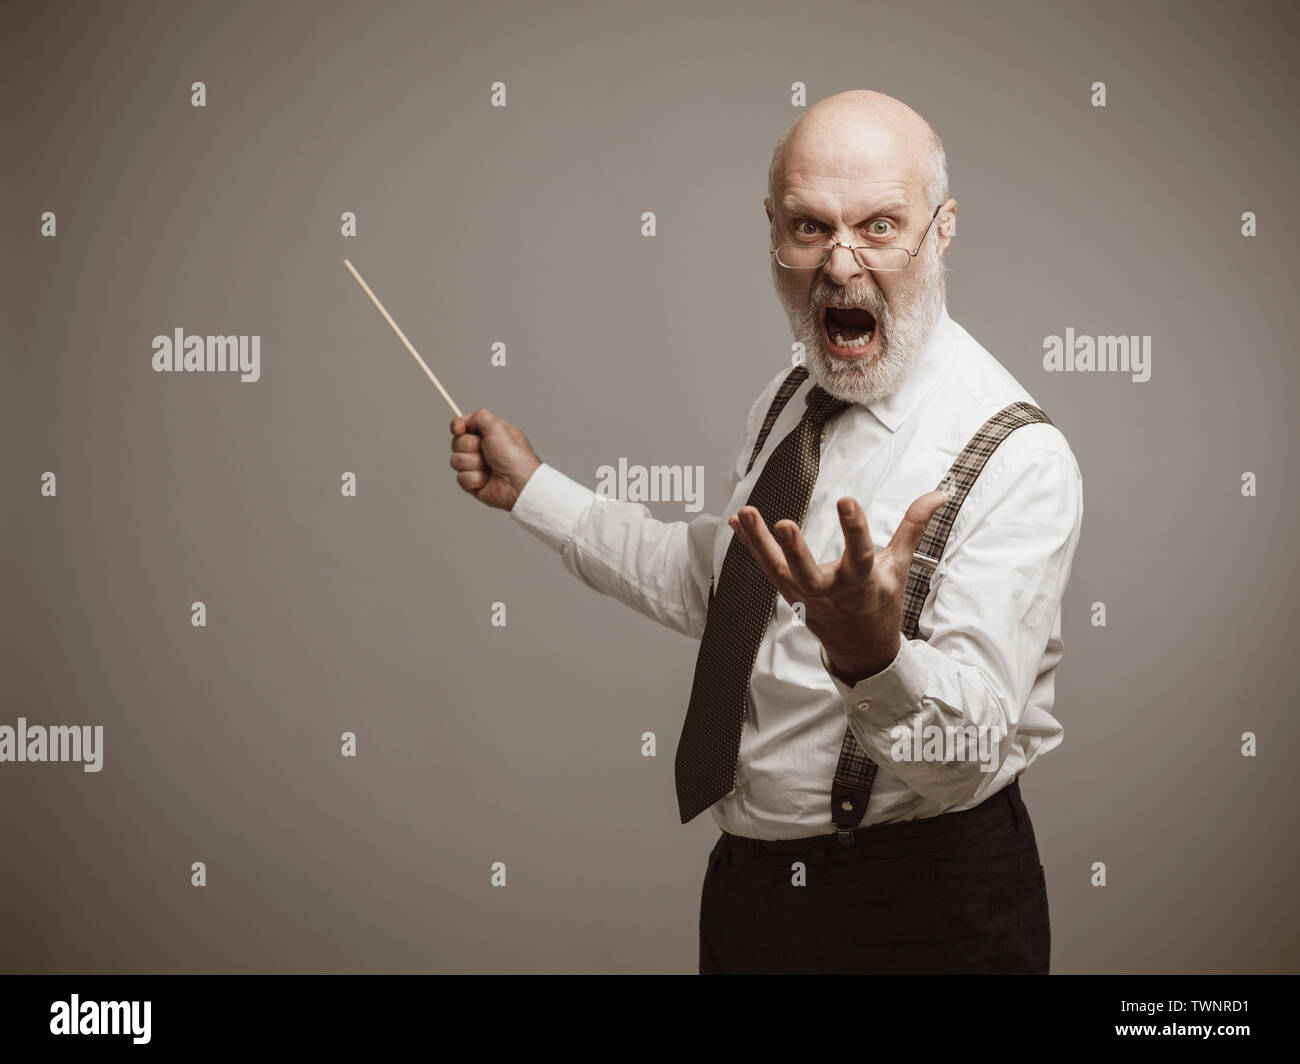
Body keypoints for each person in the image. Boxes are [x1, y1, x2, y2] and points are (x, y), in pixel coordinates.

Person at [447, 90, 1083, 974]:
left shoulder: (1019, 457)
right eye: (810, 227)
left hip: (922, 908)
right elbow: (721, 588)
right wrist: (535, 491)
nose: (841, 262)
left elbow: (970, 757)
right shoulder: (789, 400)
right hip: (753, 897)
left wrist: (874, 656)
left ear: (940, 233)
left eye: (880, 225)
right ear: (773, 232)